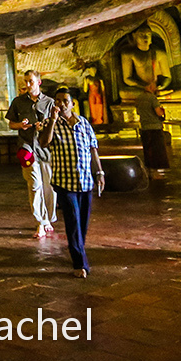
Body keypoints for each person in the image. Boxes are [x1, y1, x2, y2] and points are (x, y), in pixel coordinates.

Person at [39, 87, 104, 278]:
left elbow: (93, 149)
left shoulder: (83, 123)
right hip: (64, 181)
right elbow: (44, 142)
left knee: (82, 222)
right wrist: (51, 120)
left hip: (85, 181)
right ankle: (80, 263)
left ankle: (78, 248)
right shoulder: (50, 123)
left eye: (65, 100)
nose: (61, 104)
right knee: (73, 220)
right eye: (58, 100)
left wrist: (99, 172)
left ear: (72, 103)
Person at [5, 70, 57, 237]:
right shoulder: (18, 102)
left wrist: (45, 126)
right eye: (26, 81)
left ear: (39, 83)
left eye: (31, 82)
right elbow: (11, 124)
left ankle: (48, 217)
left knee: (49, 186)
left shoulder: (49, 102)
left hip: (46, 148)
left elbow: (55, 124)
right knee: (35, 185)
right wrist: (21, 125)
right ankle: (40, 222)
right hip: (27, 147)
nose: (27, 85)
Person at [134, 79, 169, 181]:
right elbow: (158, 112)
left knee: (148, 150)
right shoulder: (152, 98)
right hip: (154, 127)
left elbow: (138, 112)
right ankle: (155, 172)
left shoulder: (139, 98)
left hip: (144, 127)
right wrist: (162, 111)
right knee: (157, 151)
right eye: (154, 85)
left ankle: (149, 170)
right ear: (149, 86)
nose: (156, 88)